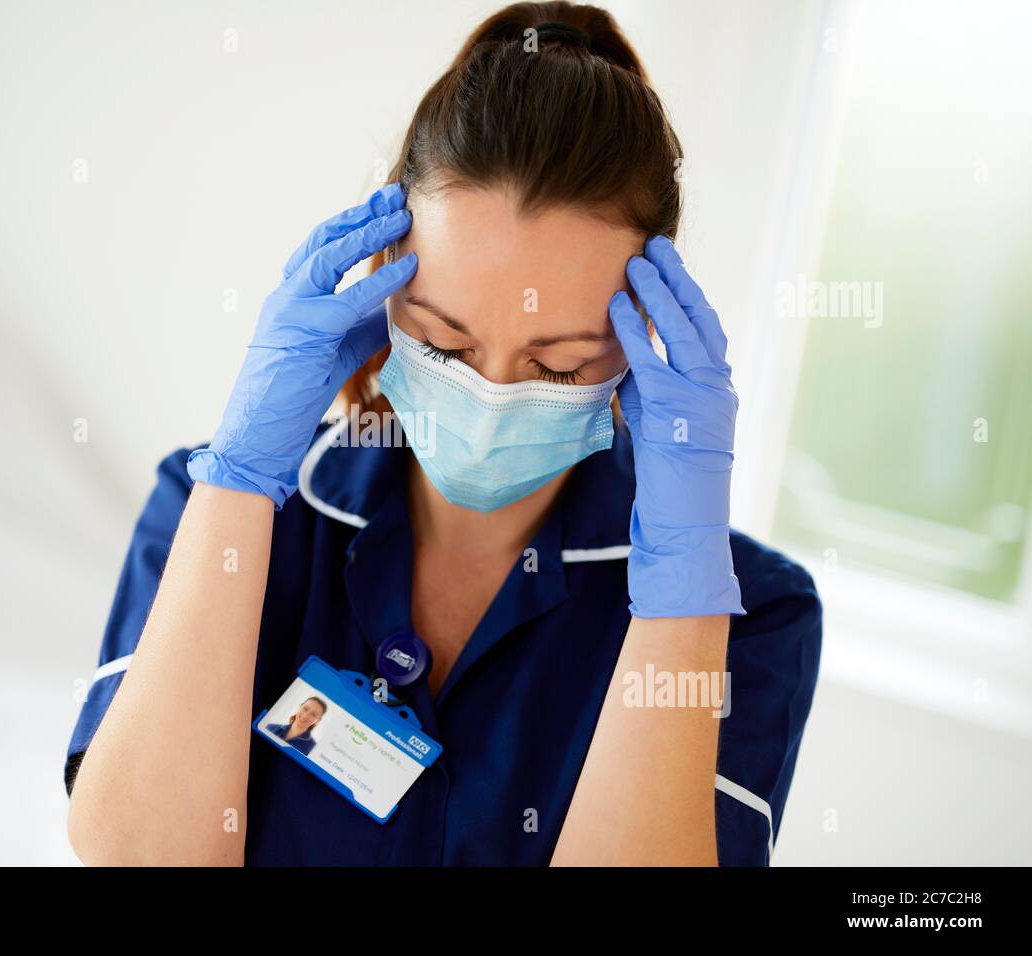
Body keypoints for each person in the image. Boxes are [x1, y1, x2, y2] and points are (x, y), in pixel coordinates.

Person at [65, 1, 821, 867]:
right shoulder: (216, 515)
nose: (493, 395)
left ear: (645, 337)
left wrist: (682, 589)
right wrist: (238, 482)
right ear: (386, 286)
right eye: (445, 341)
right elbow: (139, 855)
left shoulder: (756, 613)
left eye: (559, 365)